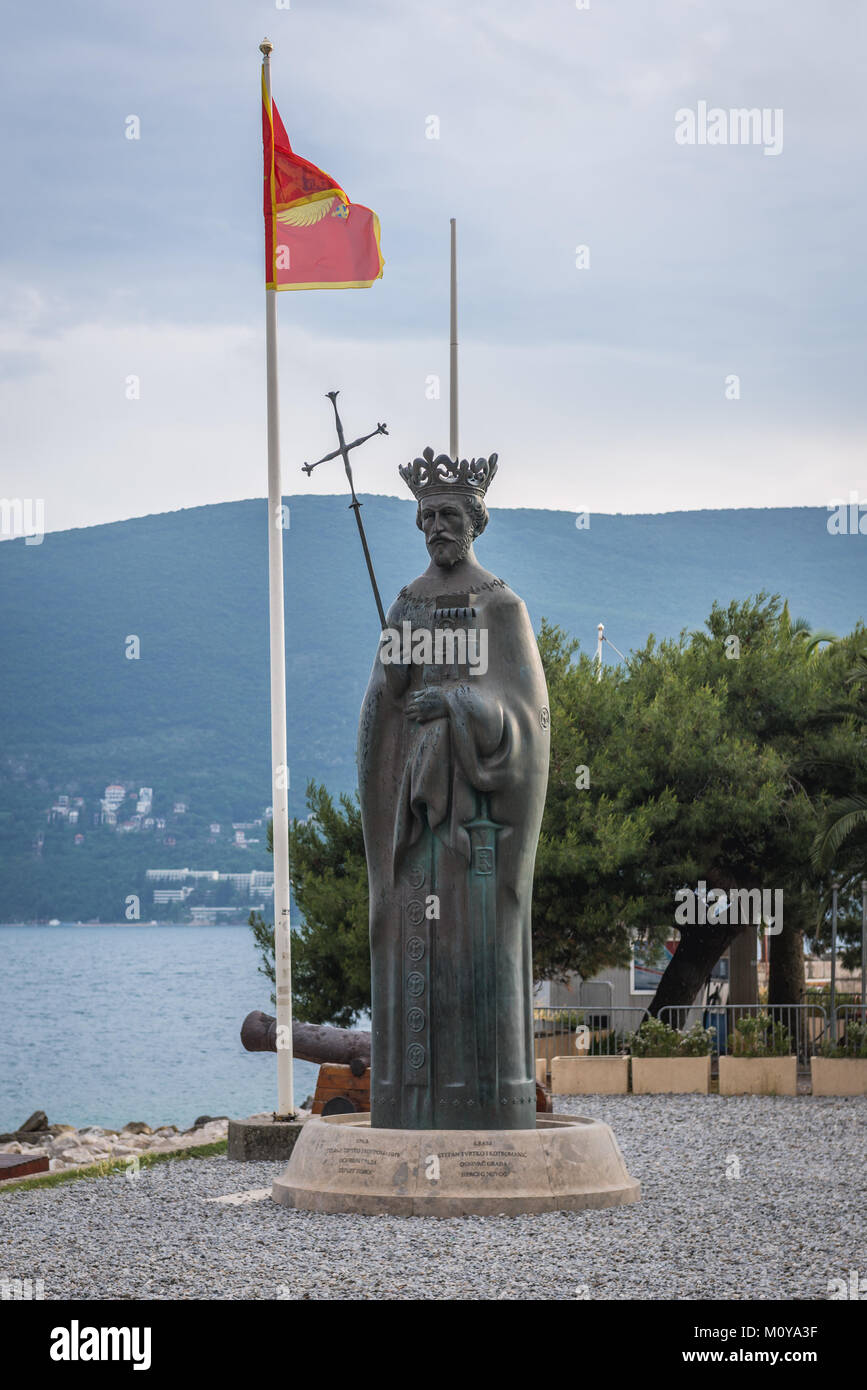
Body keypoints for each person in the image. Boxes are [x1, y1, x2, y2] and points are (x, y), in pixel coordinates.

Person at [358, 447, 550, 1129]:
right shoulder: (407, 602)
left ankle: (485, 1101)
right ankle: (409, 1101)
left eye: (449, 514)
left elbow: (525, 713)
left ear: (474, 521)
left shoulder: (501, 606)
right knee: (417, 949)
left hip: (476, 829)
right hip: (417, 824)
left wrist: (459, 706)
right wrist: (401, 679)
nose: (437, 526)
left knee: (473, 951)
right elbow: (384, 707)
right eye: (427, 515)